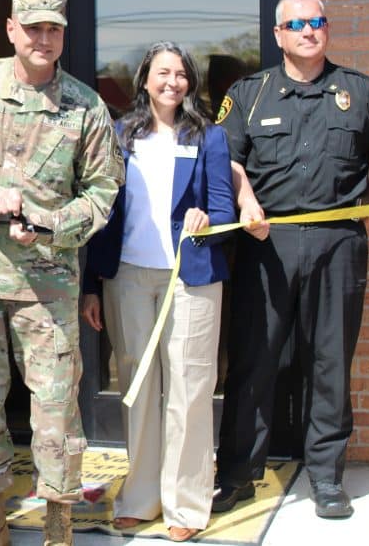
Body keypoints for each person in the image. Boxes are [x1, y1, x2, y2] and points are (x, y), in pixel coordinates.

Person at [0, 0, 123, 546]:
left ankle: (58, 521)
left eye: (53, 29)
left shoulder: (85, 106)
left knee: (57, 409)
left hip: (48, 285)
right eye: (32, 27)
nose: (43, 39)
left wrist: (54, 224)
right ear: (11, 28)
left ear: (64, 35)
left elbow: (104, 190)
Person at [213, 0, 369, 519]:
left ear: (327, 30)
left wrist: (366, 212)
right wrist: (247, 200)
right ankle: (236, 474)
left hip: (337, 244)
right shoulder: (249, 93)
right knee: (253, 359)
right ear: (278, 34)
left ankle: (326, 477)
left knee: (330, 362)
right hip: (266, 243)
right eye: (296, 23)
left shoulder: (361, 91)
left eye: (316, 21)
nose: (308, 30)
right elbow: (229, 160)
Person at [81, 42, 234, 542]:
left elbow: (223, 209)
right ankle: (141, 496)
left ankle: (186, 506)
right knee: (137, 387)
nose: (173, 82)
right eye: (162, 73)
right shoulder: (119, 134)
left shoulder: (209, 136)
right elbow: (101, 215)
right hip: (126, 277)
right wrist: (90, 286)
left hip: (189, 279)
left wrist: (206, 218)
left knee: (189, 391)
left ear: (191, 82)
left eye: (182, 74)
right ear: (144, 79)